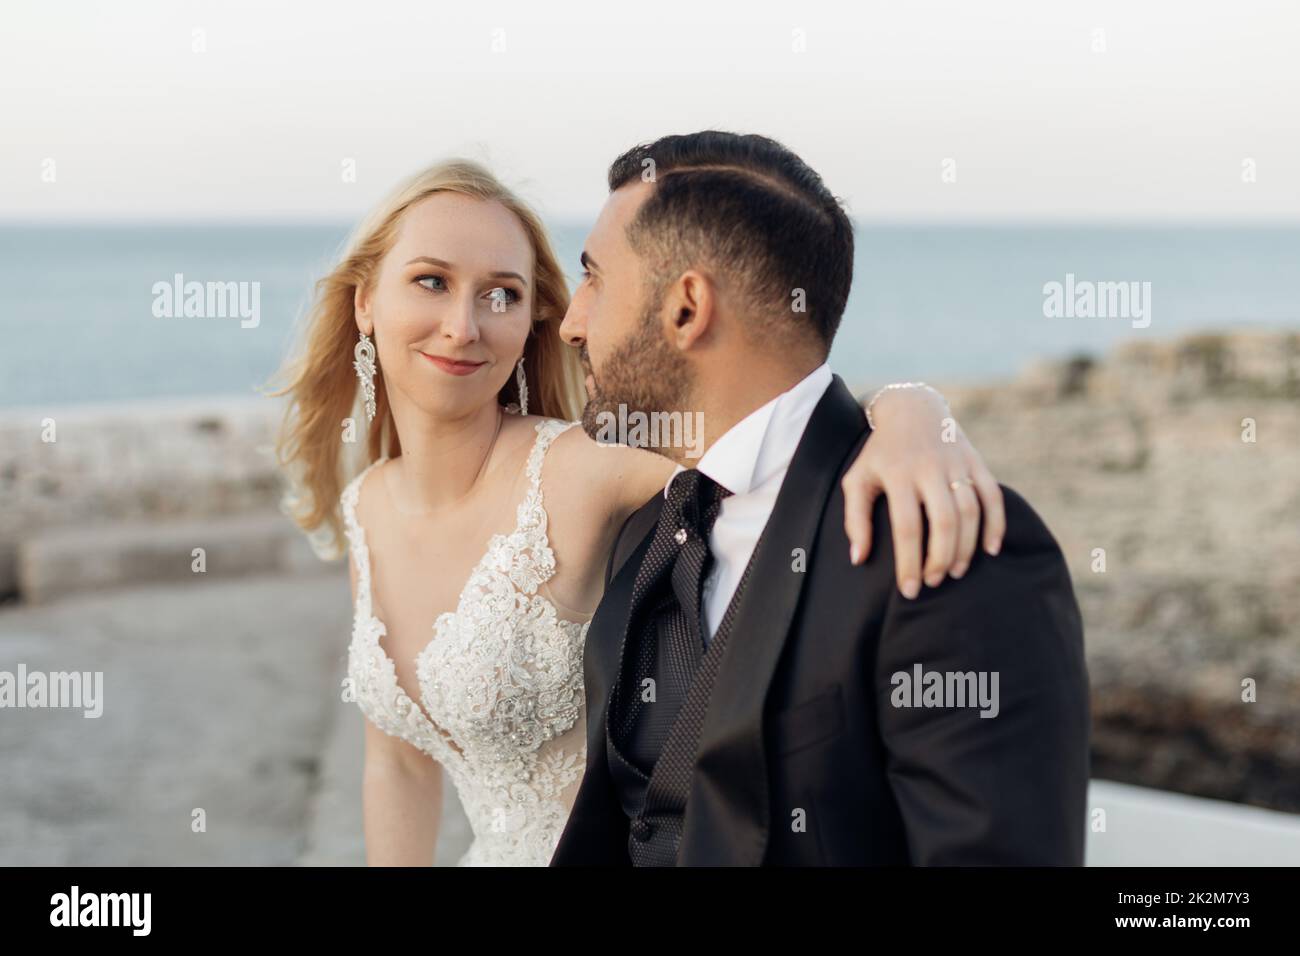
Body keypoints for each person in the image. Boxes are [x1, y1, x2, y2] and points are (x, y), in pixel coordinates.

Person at [272, 155, 1007, 866]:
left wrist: (912, 411)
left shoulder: (575, 471)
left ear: (534, 320)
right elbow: (396, 764)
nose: (465, 325)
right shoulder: (366, 504)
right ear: (366, 301)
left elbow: (766, 430)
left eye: (502, 294)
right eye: (431, 281)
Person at [549, 131, 1089, 866]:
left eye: (594, 280)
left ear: (686, 308)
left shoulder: (940, 539)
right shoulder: (649, 532)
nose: (571, 322)